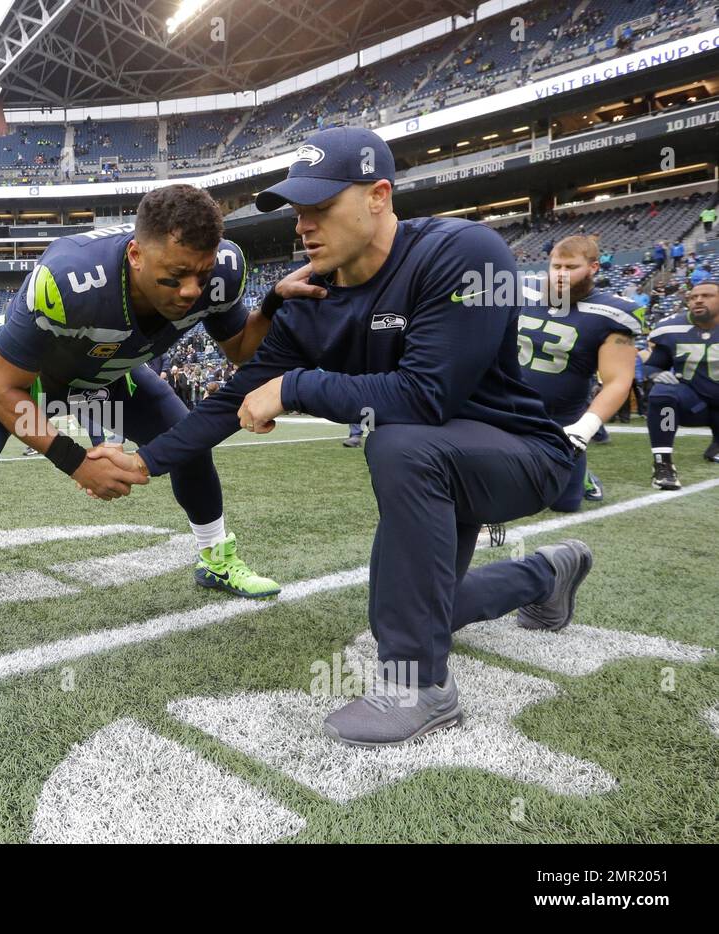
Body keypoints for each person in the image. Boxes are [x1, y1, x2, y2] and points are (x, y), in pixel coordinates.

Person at [94, 128, 586, 747]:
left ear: (379, 196)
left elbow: (426, 396)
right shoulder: (311, 301)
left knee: (399, 443)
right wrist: (144, 462)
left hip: (520, 455)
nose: (303, 225)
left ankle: (420, 688)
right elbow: (231, 400)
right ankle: (547, 574)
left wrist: (296, 386)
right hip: (437, 466)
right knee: (405, 614)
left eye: (321, 207)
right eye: (299, 211)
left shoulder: (466, 252)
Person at [0, 184, 282, 701]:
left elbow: (239, 350)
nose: (190, 291)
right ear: (136, 254)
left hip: (109, 373)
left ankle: (215, 558)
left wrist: (273, 302)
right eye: (175, 276)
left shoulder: (223, 270)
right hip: (26, 378)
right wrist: (77, 462)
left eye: (200, 274)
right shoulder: (71, 277)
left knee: (188, 441)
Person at [516, 236, 640, 510]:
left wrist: (585, 428)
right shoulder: (520, 291)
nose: (560, 274)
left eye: (570, 267)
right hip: (511, 409)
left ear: (594, 267)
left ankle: (583, 476)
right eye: (555, 266)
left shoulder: (612, 312)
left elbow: (618, 380)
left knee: (565, 506)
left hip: (563, 420)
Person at [643, 278, 719, 489]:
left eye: (706, 296)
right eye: (693, 297)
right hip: (695, 404)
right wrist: (655, 375)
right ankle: (663, 464)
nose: (698, 300)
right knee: (662, 393)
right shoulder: (672, 328)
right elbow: (653, 366)